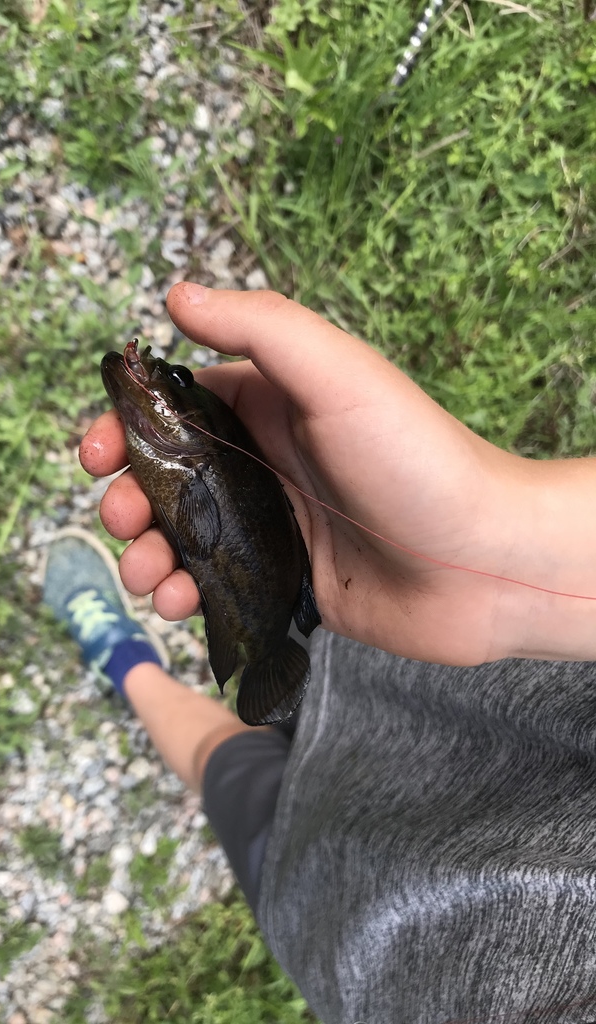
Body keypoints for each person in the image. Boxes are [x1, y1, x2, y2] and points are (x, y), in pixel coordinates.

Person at [44, 284, 596, 1023]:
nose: (160, 382)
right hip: (432, 665)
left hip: (332, 896)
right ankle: (131, 661)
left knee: (229, 768)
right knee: (256, 720)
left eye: (173, 384)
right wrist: (503, 550)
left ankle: (125, 661)